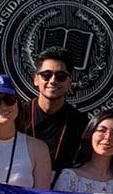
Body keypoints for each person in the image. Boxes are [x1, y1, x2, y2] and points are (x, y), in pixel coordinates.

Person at [24, 48, 87, 186]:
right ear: (36, 79)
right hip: (23, 189)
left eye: (61, 76)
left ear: (70, 82)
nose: (53, 81)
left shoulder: (80, 123)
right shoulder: (19, 115)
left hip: (61, 193)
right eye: (46, 75)